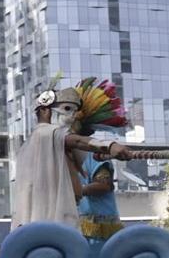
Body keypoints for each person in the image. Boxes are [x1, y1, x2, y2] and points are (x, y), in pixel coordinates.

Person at [11, 79, 132, 230]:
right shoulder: (45, 134)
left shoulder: (56, 145)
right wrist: (110, 146)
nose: (72, 117)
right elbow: (78, 142)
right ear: (44, 110)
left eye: (75, 112)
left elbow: (81, 147)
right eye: (67, 109)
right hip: (49, 220)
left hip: (59, 218)